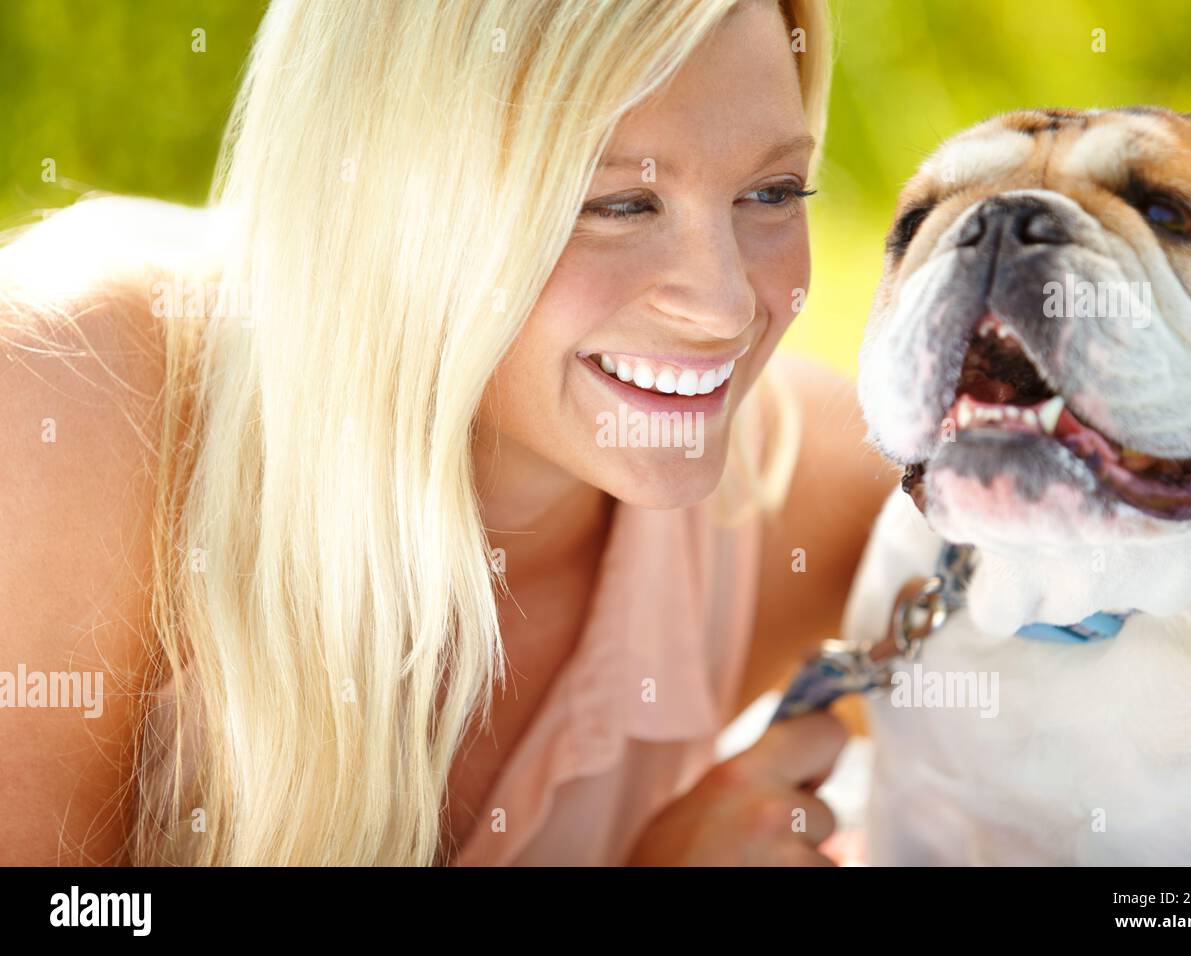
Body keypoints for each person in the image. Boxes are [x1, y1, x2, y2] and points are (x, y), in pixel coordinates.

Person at [0, 0, 894, 866]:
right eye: (619, 204)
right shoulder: (63, 409)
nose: (726, 306)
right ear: (389, 192)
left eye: (773, 192)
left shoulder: (798, 491)